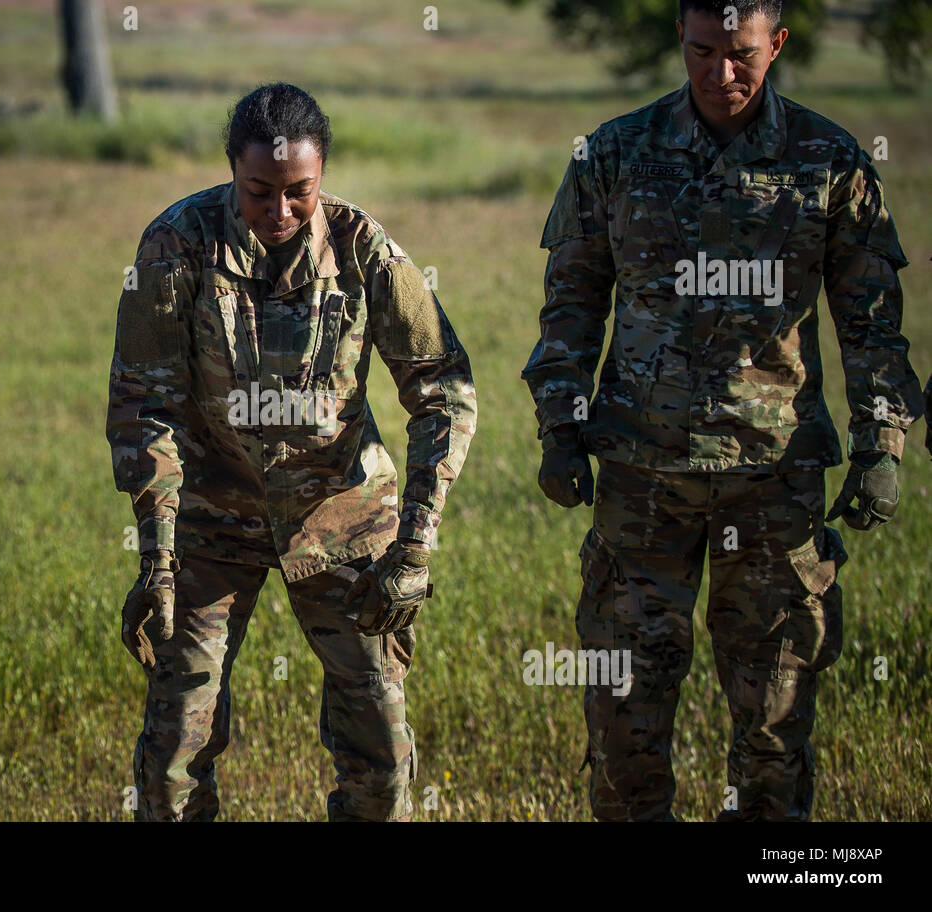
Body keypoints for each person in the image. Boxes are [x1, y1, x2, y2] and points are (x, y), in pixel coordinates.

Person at [523, 0, 922, 822]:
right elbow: (570, 304)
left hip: (773, 483)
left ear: (777, 43)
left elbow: (871, 322)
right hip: (642, 479)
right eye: (703, 51)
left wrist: (880, 443)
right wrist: (560, 428)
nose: (720, 73)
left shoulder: (828, 160)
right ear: (682, 37)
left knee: (775, 721)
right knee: (624, 720)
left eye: (741, 54)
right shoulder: (615, 152)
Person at [107, 83, 477, 821]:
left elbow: (443, 391)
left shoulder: (366, 247)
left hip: (343, 515)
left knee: (377, 733)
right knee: (177, 738)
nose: (279, 212)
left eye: (299, 192)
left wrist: (414, 549)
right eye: (259, 192)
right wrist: (157, 556)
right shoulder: (176, 243)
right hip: (213, 519)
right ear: (230, 170)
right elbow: (145, 403)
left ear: (324, 177)